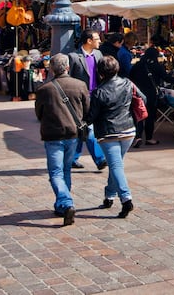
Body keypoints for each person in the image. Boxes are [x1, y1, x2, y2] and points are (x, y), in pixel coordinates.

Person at [34, 53, 90, 226]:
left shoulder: (44, 89)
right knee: (65, 170)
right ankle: (62, 205)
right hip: (72, 134)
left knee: (56, 172)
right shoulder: (80, 85)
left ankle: (65, 203)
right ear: (67, 67)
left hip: (53, 135)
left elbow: (39, 113)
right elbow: (87, 109)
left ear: (51, 69)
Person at [87, 55, 142, 219]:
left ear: (100, 72)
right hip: (128, 130)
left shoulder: (99, 92)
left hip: (109, 132)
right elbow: (142, 98)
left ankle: (126, 198)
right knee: (115, 164)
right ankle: (109, 195)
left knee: (116, 165)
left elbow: (91, 117)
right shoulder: (127, 83)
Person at [68, 29, 106, 171]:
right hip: (80, 100)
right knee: (88, 129)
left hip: (95, 97)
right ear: (89, 41)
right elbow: (68, 79)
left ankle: (73, 158)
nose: (100, 41)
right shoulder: (73, 57)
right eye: (97, 38)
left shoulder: (98, 54)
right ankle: (100, 159)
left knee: (82, 129)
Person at [129, 42, 167, 147]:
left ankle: (138, 137)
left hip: (138, 94)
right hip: (151, 95)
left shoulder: (137, 65)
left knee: (139, 115)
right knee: (150, 117)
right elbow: (167, 78)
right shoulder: (157, 66)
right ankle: (149, 138)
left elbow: (130, 77)